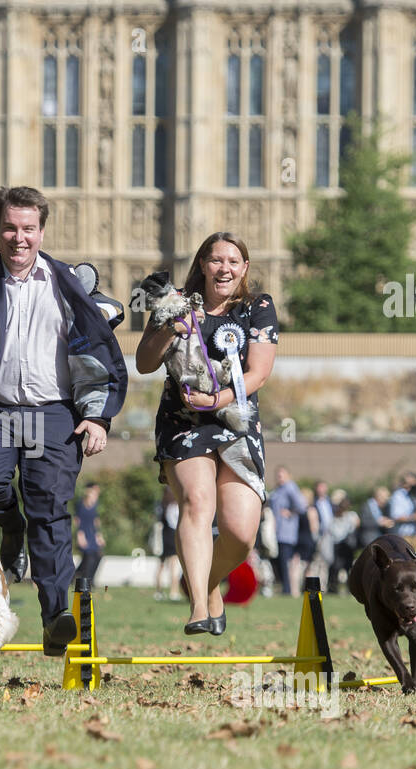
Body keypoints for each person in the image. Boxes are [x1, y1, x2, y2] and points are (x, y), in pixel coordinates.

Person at [0, 185, 126, 655]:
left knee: (50, 506)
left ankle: (57, 616)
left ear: (42, 231)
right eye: (10, 228)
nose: (19, 238)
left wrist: (98, 419)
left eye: (29, 229)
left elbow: (101, 352)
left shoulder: (67, 283)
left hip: (54, 411)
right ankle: (9, 526)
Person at [136, 231, 278, 633]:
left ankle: (206, 580)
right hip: (184, 420)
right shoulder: (174, 302)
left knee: (240, 533)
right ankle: (200, 605)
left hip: (236, 418)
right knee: (197, 502)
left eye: (234, 261)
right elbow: (145, 362)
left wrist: (219, 400)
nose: (225, 269)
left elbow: (259, 373)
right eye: (217, 260)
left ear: (244, 268)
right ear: (202, 263)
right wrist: (171, 330)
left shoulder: (258, 307)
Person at [268, 466, 304, 597]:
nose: (279, 478)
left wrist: (291, 512)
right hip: (276, 531)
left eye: (281, 475)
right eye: (277, 475)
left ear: (288, 475)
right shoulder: (278, 489)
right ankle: (284, 586)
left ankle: (287, 589)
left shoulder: (290, 488)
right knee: (278, 561)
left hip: (286, 532)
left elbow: (302, 505)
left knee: (284, 561)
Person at [73, 482, 104, 585]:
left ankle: (84, 578)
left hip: (92, 534)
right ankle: (85, 580)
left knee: (98, 556)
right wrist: (80, 536)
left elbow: (96, 521)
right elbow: (77, 520)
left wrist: (99, 536)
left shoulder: (95, 505)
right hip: (84, 533)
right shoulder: (81, 504)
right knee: (89, 557)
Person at [154, 486, 181, 600]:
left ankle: (159, 591)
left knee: (161, 565)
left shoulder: (160, 505)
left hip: (162, 538)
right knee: (174, 565)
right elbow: (175, 523)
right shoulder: (174, 506)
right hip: (171, 537)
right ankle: (173, 591)